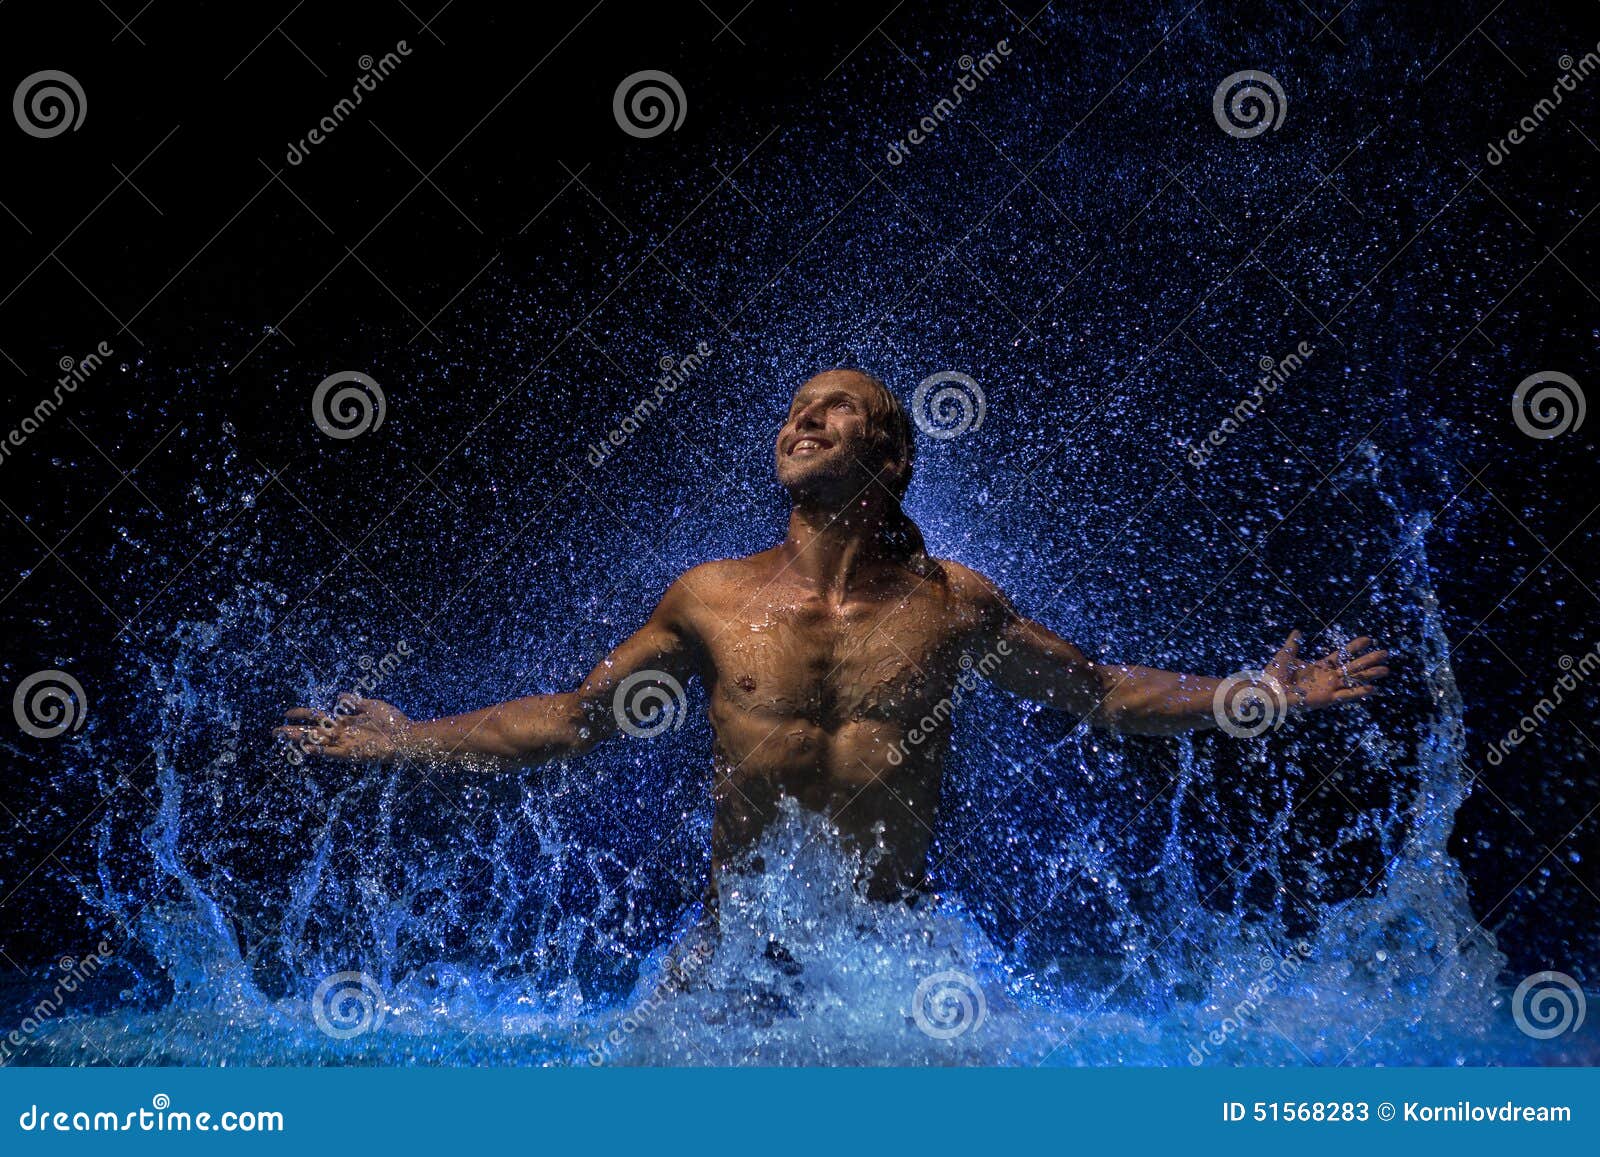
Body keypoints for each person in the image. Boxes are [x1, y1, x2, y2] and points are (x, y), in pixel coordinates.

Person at [277, 368, 1391, 912]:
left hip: (886, 965)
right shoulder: (709, 600)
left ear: (893, 456)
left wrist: (1256, 694)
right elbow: (571, 719)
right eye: (796, 406)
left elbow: (1098, 691)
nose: (801, 418)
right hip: (733, 966)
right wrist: (408, 735)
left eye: (836, 408)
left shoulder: (952, 605)